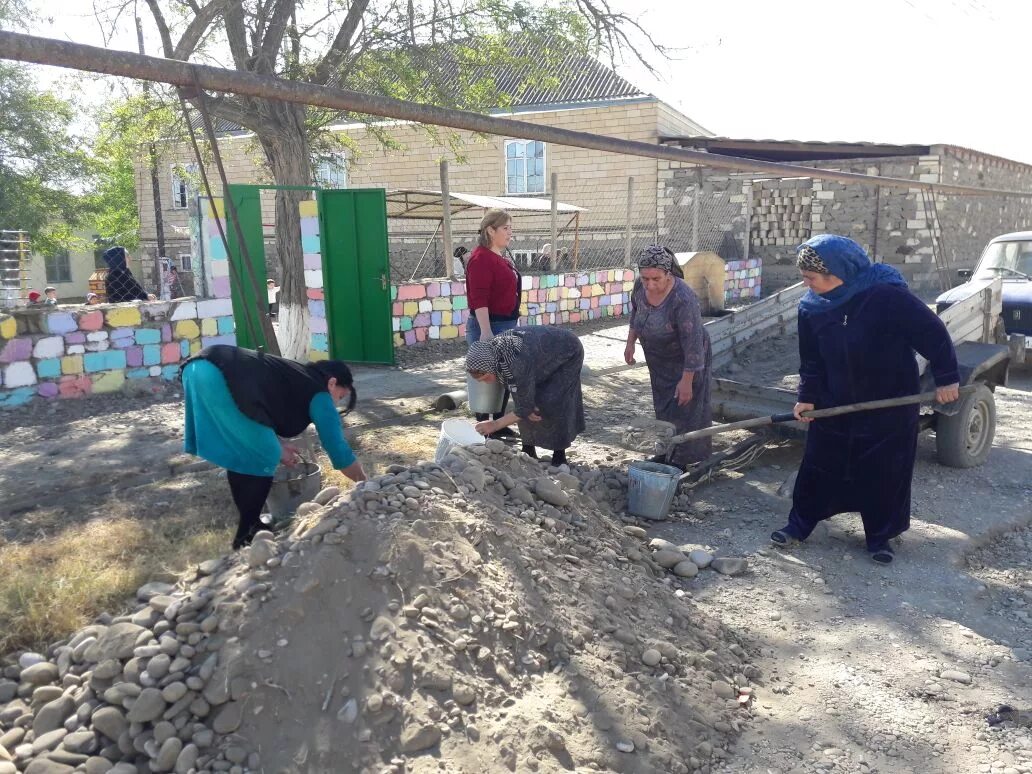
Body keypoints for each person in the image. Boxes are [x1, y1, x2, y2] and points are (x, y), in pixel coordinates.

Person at [770, 234, 960, 565]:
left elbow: (932, 333)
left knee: (884, 471)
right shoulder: (811, 308)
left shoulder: (886, 297)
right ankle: (798, 525)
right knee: (819, 466)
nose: (806, 284)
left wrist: (947, 377)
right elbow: (811, 360)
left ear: (837, 273)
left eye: (811, 277)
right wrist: (807, 397)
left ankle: (879, 537)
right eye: (804, 277)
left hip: (889, 404)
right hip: (834, 404)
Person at [180, 344, 367, 549]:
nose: (336, 404)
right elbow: (336, 447)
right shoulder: (319, 392)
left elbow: (257, 415)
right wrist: (365, 483)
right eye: (340, 397)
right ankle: (247, 534)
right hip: (221, 373)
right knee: (266, 454)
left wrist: (280, 446)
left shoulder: (298, 376)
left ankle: (253, 526)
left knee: (243, 453)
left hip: (197, 369)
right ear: (332, 383)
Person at [624, 245, 713, 470]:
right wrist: (630, 343)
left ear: (668, 273)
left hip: (686, 359)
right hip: (658, 359)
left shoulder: (683, 298)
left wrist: (687, 381)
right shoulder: (640, 286)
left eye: (656, 279)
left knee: (686, 406)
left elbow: (693, 343)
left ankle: (683, 460)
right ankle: (666, 452)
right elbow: (636, 312)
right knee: (663, 405)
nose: (650, 285)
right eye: (645, 278)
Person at [467, 327, 585, 466]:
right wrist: (525, 407)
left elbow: (524, 407)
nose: (487, 382)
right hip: (536, 357)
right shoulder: (495, 355)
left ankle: (559, 455)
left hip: (567, 351)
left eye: (486, 377)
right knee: (524, 402)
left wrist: (495, 425)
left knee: (554, 399)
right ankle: (528, 449)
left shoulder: (515, 362)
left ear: (491, 366)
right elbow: (522, 401)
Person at [465, 209, 523, 437]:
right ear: (490, 230)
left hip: (506, 324)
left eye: (511, 228)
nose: (510, 233)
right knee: (486, 375)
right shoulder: (480, 258)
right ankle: (484, 426)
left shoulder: (498, 257)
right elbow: (479, 297)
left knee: (505, 375)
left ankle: (497, 423)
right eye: (505, 228)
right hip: (491, 325)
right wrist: (485, 331)